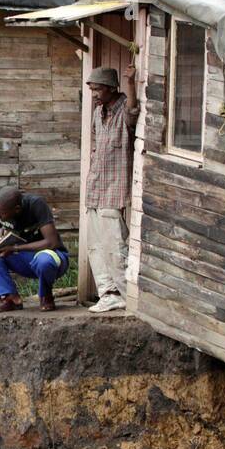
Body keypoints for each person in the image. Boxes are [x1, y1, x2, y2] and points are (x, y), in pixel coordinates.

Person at [84, 65, 139, 314]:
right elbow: (96, 146)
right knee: (95, 245)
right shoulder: (98, 113)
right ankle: (108, 293)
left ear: (110, 88)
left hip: (114, 190)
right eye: (92, 90)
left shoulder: (123, 109)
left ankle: (127, 295)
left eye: (97, 89)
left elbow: (133, 113)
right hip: (95, 188)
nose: (94, 95)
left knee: (116, 246)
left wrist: (131, 83)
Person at [0, 186, 70, 312]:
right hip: (23, 258)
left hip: (51, 258)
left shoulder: (36, 204)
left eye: (2, 214)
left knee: (44, 260)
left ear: (17, 209)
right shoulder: (0, 206)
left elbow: (52, 242)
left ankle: (46, 295)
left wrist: (15, 248)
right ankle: (9, 298)